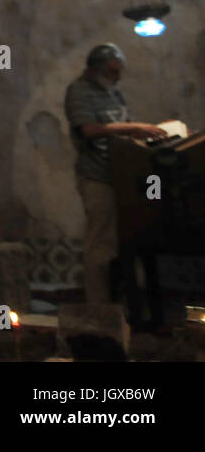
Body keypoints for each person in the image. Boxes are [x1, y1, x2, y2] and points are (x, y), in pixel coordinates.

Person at [63, 43, 166, 305]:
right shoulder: (79, 91)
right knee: (101, 243)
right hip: (97, 176)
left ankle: (130, 303)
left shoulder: (113, 92)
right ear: (94, 69)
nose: (116, 77)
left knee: (130, 239)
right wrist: (135, 127)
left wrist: (140, 134)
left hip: (123, 175)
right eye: (111, 72)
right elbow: (89, 129)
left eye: (119, 72)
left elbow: (122, 127)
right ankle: (98, 308)